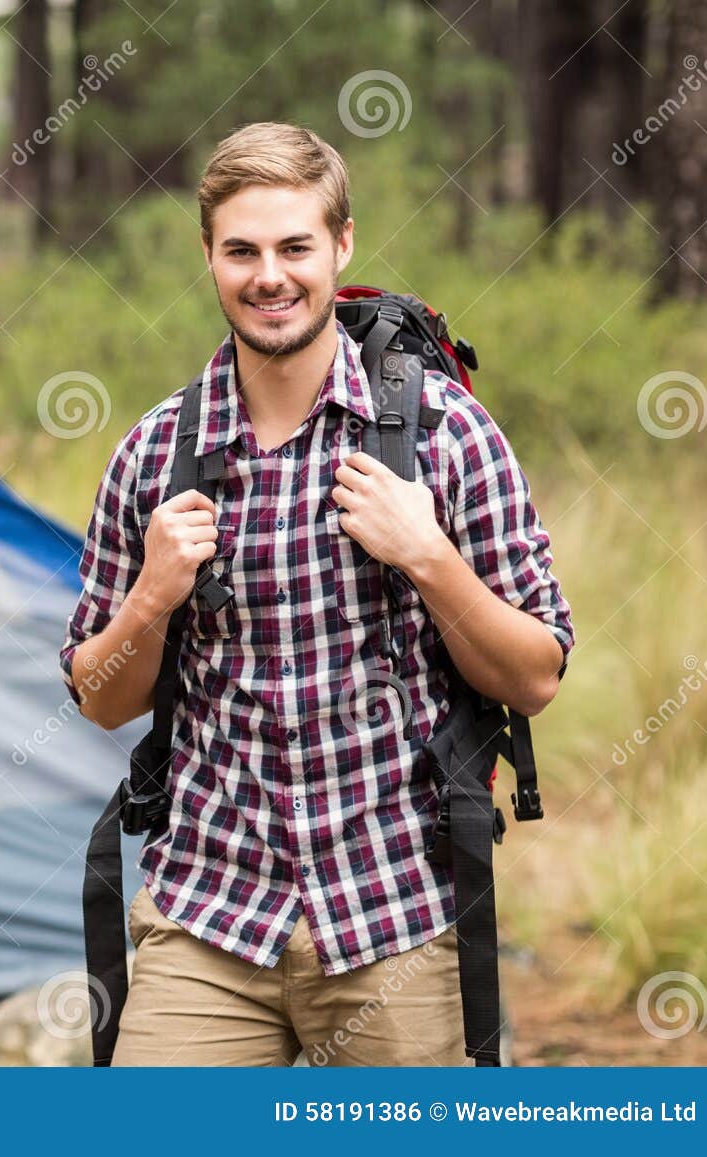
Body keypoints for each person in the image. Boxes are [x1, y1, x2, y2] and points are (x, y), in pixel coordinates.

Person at [61, 123, 574, 1066]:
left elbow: (537, 674)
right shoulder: (154, 454)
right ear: (209, 257)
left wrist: (429, 557)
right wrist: (151, 598)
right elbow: (101, 699)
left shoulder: (444, 434)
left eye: (295, 246)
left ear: (340, 245)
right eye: (242, 250)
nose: (271, 276)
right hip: (207, 914)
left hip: (397, 915)